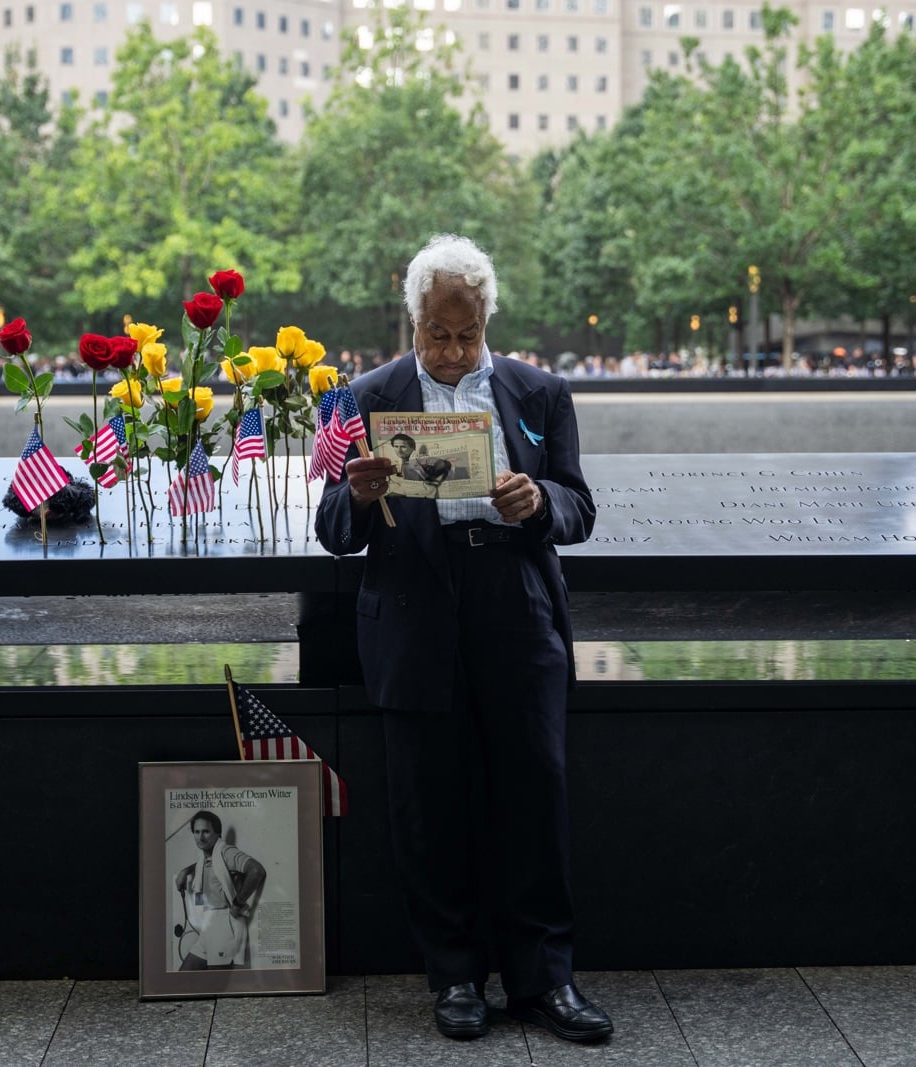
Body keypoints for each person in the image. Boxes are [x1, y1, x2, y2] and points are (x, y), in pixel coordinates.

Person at [314, 234, 610, 1043]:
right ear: (411, 320)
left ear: (487, 321)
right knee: (427, 801)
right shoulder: (364, 394)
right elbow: (333, 531)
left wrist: (539, 501)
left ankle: (546, 979)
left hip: (513, 596)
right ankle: (454, 978)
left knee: (534, 793)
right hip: (416, 600)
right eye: (436, 333)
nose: (451, 351)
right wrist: (356, 489)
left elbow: (580, 507)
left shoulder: (538, 392)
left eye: (466, 333)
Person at [173, 810, 265, 970]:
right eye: (197, 832)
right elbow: (209, 868)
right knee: (184, 975)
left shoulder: (226, 852)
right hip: (208, 925)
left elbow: (257, 871)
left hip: (224, 923)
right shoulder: (204, 857)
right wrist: (186, 871)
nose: (201, 837)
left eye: (206, 831)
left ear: (217, 833)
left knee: (216, 981)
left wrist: (238, 903)